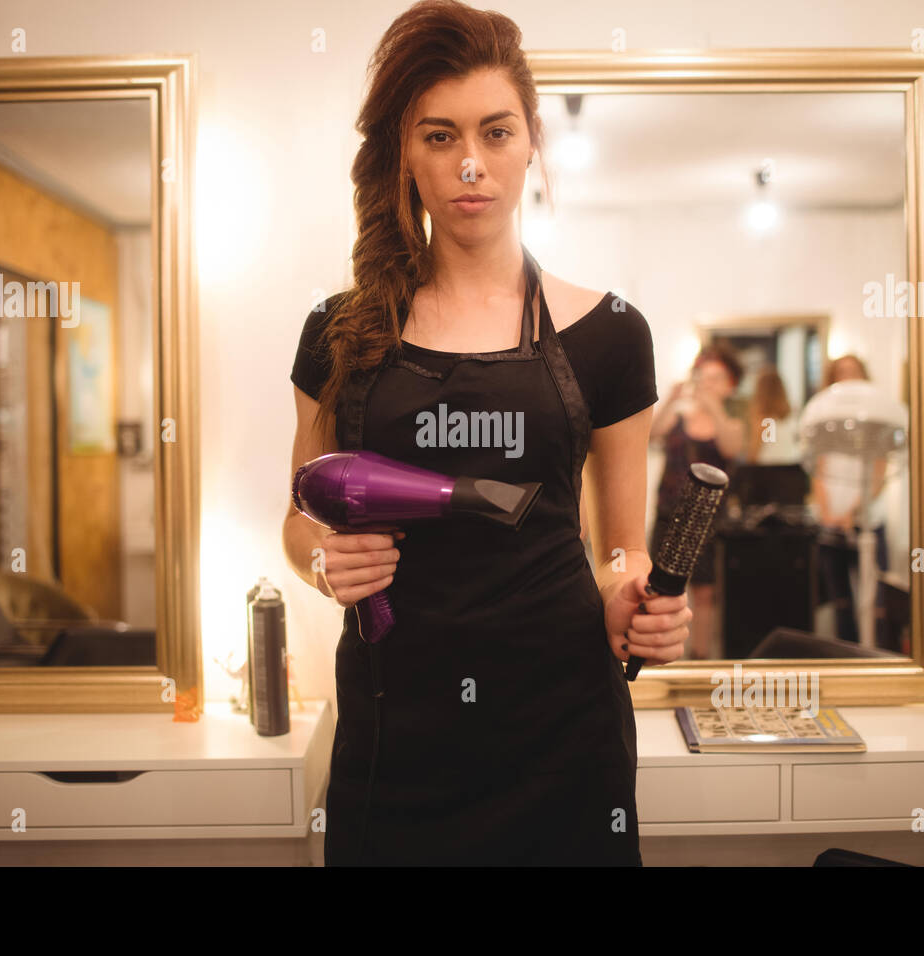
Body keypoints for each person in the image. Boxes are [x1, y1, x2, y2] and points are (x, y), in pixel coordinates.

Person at [283, 0, 689, 866]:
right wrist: (324, 562)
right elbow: (298, 518)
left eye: (496, 132)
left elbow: (624, 550)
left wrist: (633, 601)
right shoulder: (339, 333)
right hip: (396, 740)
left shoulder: (612, 334)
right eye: (439, 137)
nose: (471, 163)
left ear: (532, 138)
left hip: (562, 736)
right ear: (405, 151)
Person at [648, 343, 742, 659]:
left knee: (704, 592)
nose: (708, 383)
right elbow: (650, 436)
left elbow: (730, 448)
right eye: (704, 377)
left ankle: (699, 656)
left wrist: (712, 406)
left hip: (707, 521)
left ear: (731, 386)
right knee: (658, 587)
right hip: (668, 513)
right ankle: (656, 654)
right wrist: (673, 399)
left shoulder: (732, 425)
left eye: (717, 378)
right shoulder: (678, 418)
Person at [810, 353, 889, 643]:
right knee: (840, 599)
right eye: (841, 373)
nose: (847, 379)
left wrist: (853, 514)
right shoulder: (821, 421)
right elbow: (818, 470)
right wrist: (828, 513)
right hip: (831, 524)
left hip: (868, 521)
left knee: (872, 599)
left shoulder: (878, 421)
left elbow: (878, 474)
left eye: (853, 372)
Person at [744, 365, 799, 465]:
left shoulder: (762, 417)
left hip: (768, 468)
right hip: (790, 465)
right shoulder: (792, 412)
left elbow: (755, 449)